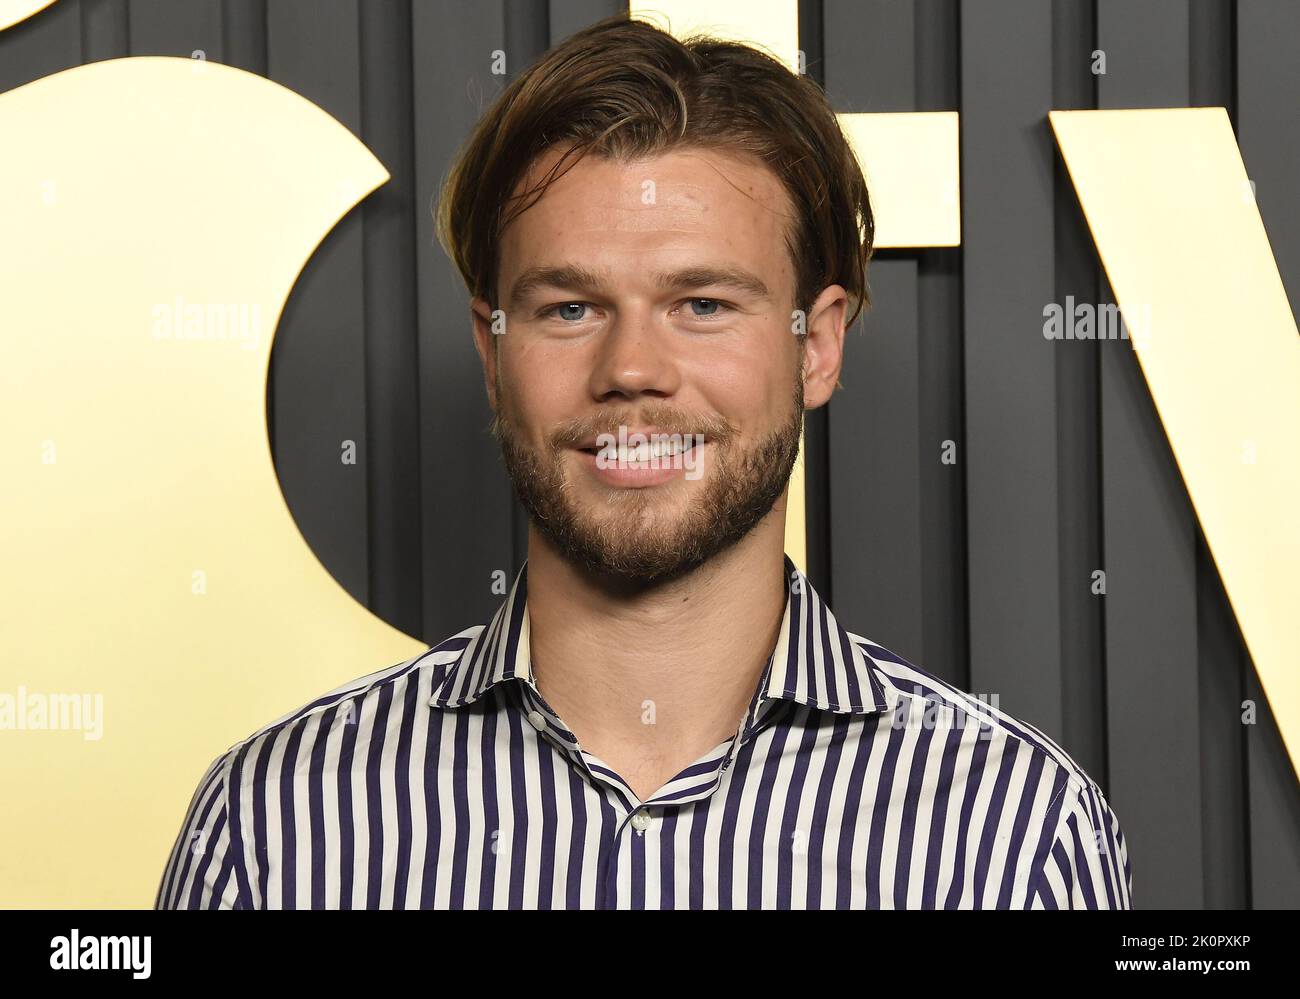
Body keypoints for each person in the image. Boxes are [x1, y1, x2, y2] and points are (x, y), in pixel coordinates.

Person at [157, 13, 1130, 910]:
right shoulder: (278, 830)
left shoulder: (1014, 839)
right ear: (494, 353)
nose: (631, 370)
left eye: (702, 304)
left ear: (816, 345)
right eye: (569, 308)